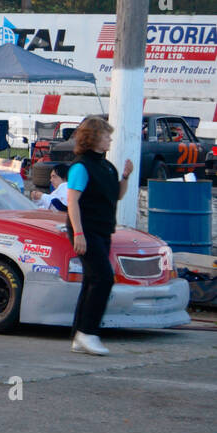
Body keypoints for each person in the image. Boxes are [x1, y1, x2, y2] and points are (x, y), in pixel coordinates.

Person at [65, 117, 132, 356]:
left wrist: (125, 177)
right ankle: (88, 332)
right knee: (103, 278)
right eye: (106, 135)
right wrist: (78, 233)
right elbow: (72, 201)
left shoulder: (107, 166)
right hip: (86, 230)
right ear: (93, 138)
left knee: (92, 280)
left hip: (103, 231)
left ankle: (79, 335)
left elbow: (118, 195)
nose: (110, 139)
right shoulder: (81, 167)